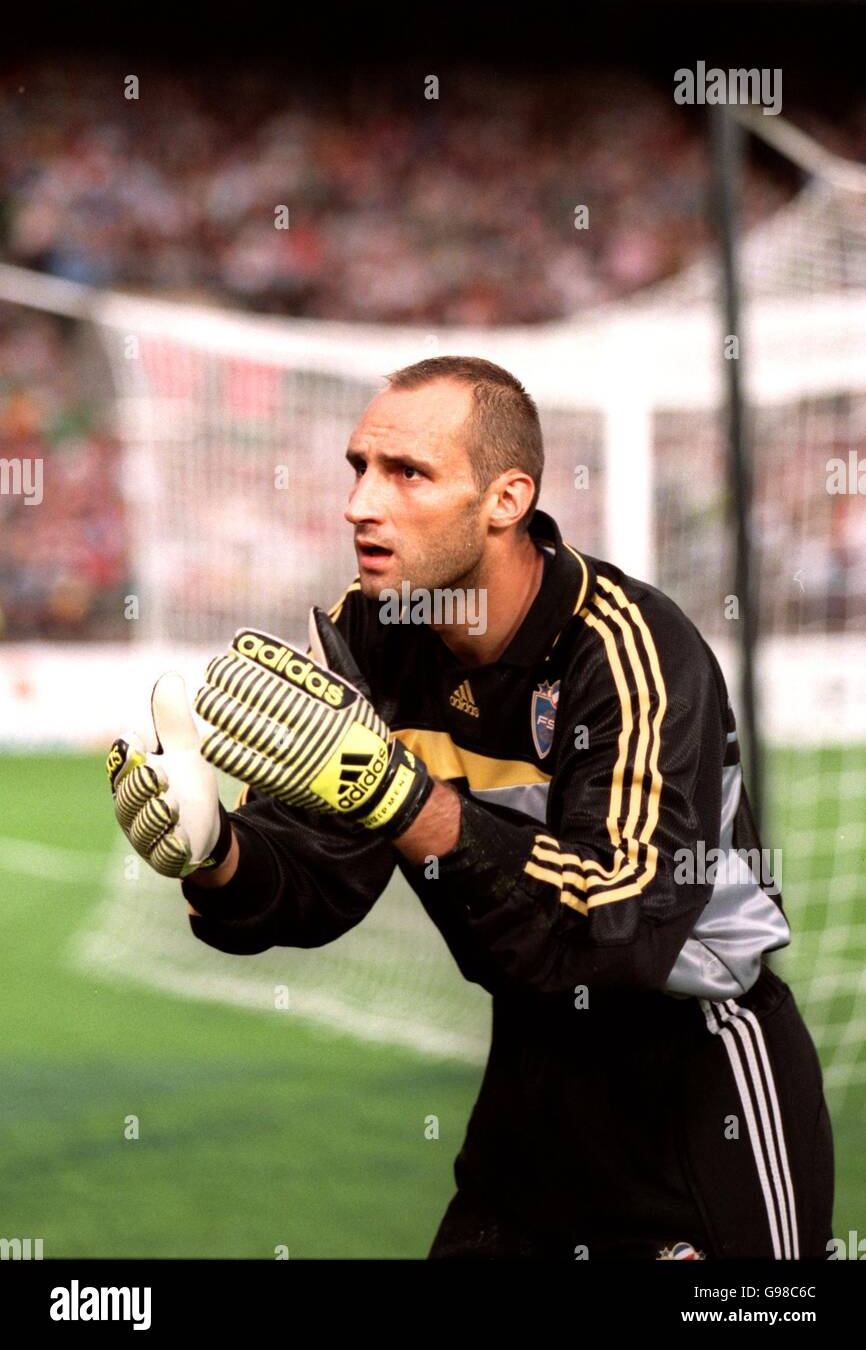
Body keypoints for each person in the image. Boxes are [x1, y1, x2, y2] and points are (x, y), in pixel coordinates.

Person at [108, 355, 834, 1260]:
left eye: (406, 473)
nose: (359, 504)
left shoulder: (630, 649)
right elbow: (320, 882)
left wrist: (406, 800)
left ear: (506, 500)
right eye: (358, 468)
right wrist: (215, 854)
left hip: (695, 1078)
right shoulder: (369, 633)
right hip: (529, 1074)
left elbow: (623, 929)